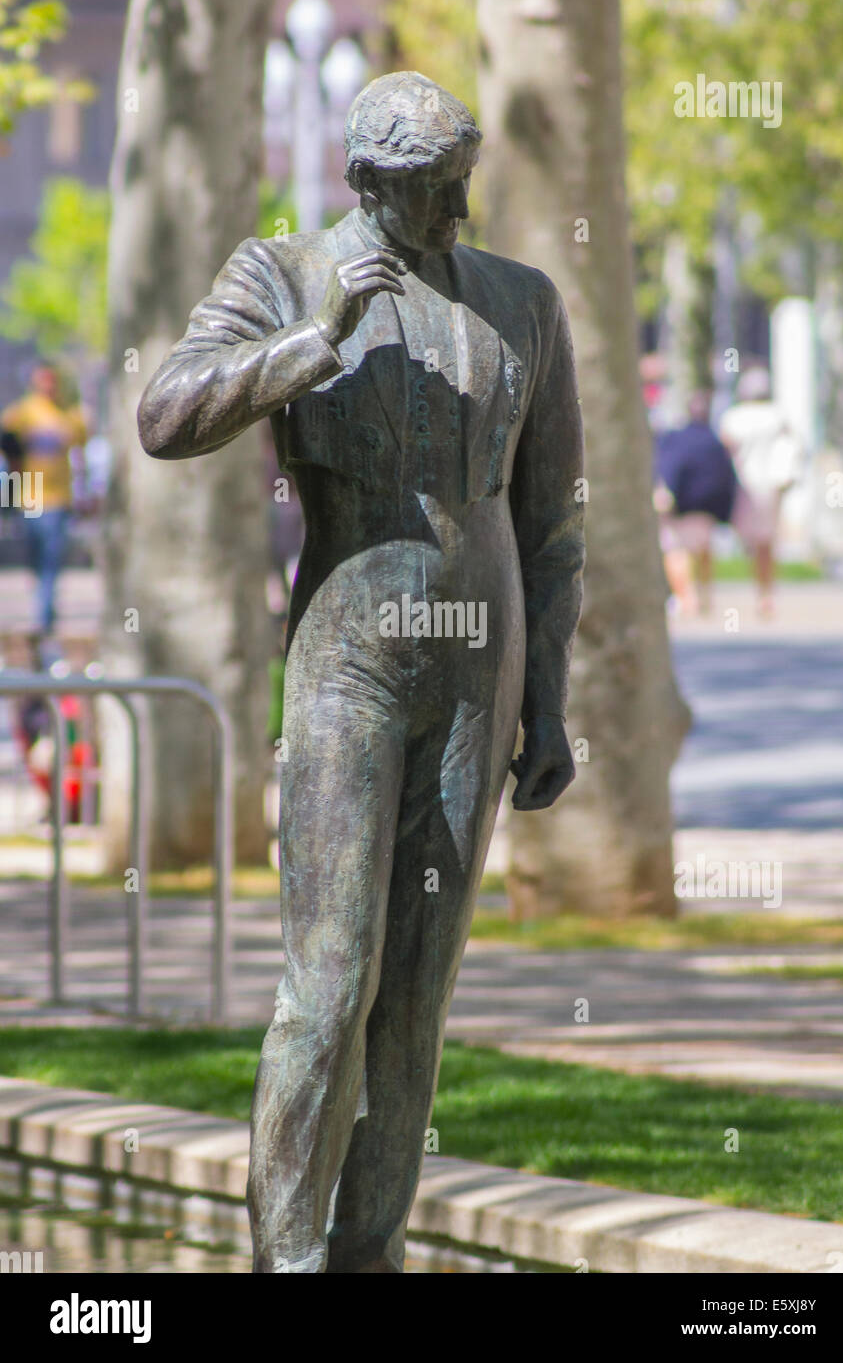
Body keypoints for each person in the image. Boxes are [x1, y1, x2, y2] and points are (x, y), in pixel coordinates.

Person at [138, 71, 585, 1273]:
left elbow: (550, 526)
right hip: (348, 660)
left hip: (475, 674)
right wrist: (307, 342)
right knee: (330, 984)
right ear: (365, 182)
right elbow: (165, 414)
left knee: (414, 1005)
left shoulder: (521, 301)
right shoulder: (280, 271)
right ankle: (285, 1260)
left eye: (462, 183)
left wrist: (546, 702)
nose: (454, 211)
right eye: (431, 191)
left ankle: (367, 1254)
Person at [0, 364, 87, 635]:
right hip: (30, 495)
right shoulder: (22, 413)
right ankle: (42, 607)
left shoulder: (70, 415)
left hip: (58, 497)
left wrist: (85, 493)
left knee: (51, 558)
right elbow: (8, 447)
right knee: (36, 557)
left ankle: (44, 616)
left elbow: (80, 456)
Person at [720, 366, 801, 618]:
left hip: (743, 486)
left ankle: (761, 591)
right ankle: (765, 593)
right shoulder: (777, 416)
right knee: (766, 541)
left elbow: (725, 449)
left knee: (751, 542)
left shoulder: (733, 417)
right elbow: (793, 448)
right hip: (770, 486)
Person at [654, 391, 738, 615]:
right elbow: (727, 476)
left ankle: (687, 597)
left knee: (676, 550)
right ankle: (705, 596)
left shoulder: (676, 438)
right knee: (703, 549)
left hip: (682, 505)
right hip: (707, 506)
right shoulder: (715, 441)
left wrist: (666, 496)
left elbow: (669, 467)